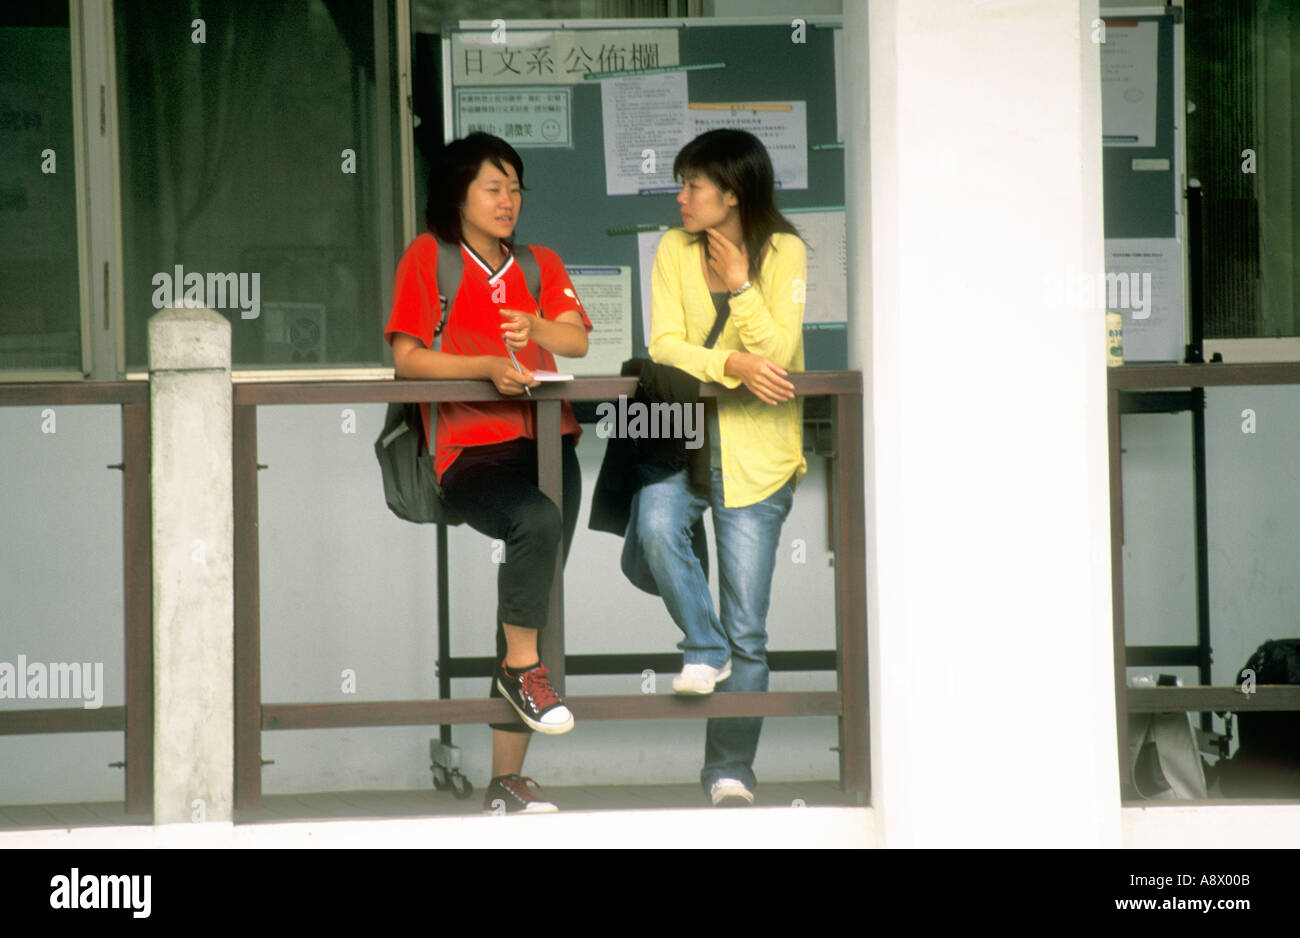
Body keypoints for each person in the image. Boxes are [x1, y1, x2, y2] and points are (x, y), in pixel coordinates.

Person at [383, 132, 592, 814]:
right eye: (493, 188)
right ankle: (523, 673)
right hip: (467, 452)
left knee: (529, 612)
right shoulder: (430, 257)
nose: (509, 202)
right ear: (458, 195)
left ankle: (505, 779)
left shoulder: (537, 262)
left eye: (515, 189)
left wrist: (533, 325)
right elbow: (409, 359)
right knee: (534, 526)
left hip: (549, 445)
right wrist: (485, 367)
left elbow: (576, 337)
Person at [637, 129, 807, 807]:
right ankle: (701, 647)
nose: (681, 197)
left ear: (731, 193)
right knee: (655, 528)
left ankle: (729, 770)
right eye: (681, 184)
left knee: (751, 630)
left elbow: (784, 350)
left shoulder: (785, 251)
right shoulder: (672, 249)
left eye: (693, 185)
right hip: (679, 438)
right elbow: (664, 346)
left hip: (758, 454)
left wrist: (741, 287)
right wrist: (731, 365)